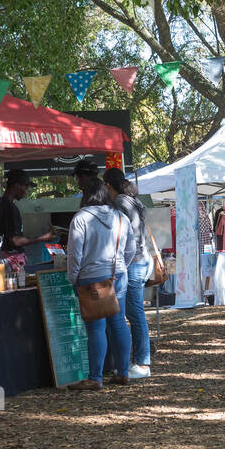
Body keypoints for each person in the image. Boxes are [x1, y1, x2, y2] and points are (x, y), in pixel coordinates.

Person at [66, 176, 135, 391]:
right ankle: (123, 372)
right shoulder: (121, 217)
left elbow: (74, 255)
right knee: (119, 322)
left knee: (95, 328)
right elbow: (131, 249)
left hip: (91, 278)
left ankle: (95, 378)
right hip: (118, 276)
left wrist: (73, 278)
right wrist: (121, 266)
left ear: (86, 195)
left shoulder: (81, 218)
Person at [103, 167, 163, 380]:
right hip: (142, 259)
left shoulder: (119, 203)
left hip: (133, 262)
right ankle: (138, 359)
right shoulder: (134, 200)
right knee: (135, 313)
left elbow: (122, 237)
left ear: (108, 185)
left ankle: (142, 362)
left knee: (134, 314)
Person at [0, 169, 54, 255]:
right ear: (16, 186)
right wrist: (43, 238)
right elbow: (15, 241)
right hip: (10, 259)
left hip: (0, 256)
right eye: (25, 187)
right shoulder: (10, 208)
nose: (26, 192)